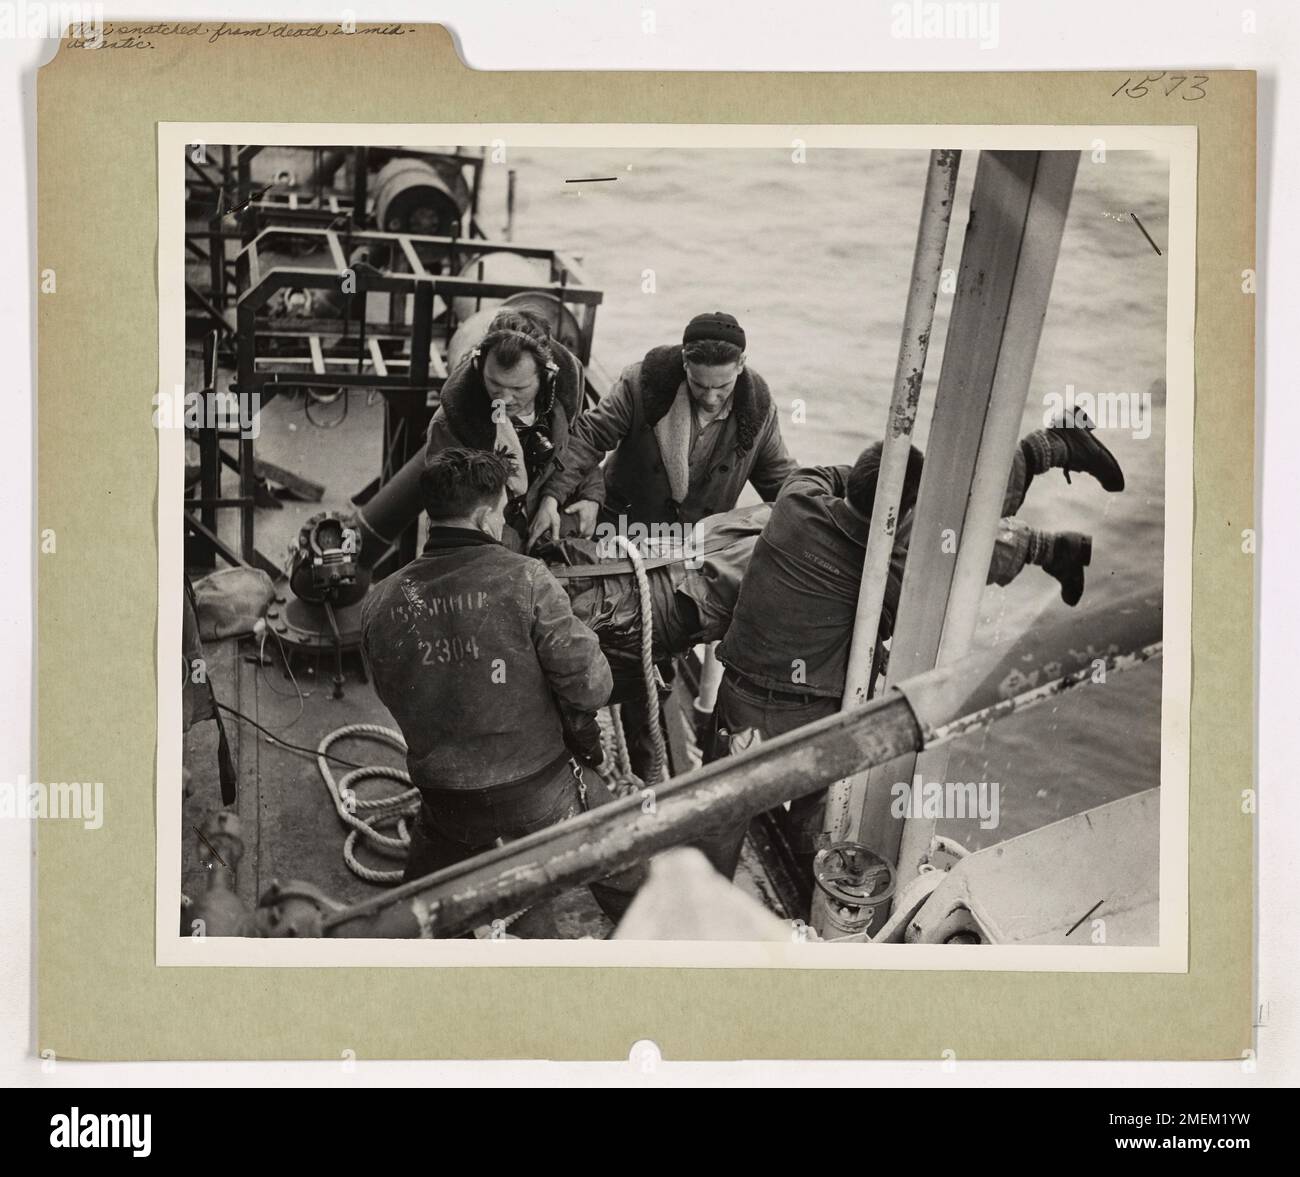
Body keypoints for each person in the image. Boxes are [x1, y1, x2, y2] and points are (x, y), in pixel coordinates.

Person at [709, 408, 1127, 883]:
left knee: (717, 823)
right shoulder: (886, 574)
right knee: (947, 532)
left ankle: (1046, 513)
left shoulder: (797, 502)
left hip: (747, 700)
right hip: (809, 718)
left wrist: (878, 487)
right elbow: (939, 544)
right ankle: (1042, 490)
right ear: (898, 516)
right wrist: (900, 510)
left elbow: (827, 476)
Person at [359, 448, 633, 937]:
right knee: (633, 866)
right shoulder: (528, 577)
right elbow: (593, 687)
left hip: (445, 803)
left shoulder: (379, 601)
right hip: (539, 792)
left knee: (418, 914)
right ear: (487, 516)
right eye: (504, 510)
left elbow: (392, 689)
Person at [529, 310, 799, 778]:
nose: (712, 397)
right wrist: (552, 496)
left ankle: (643, 759)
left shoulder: (759, 410)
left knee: (656, 654)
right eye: (699, 387)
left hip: (686, 555)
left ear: (741, 367)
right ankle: (577, 743)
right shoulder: (643, 384)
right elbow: (591, 437)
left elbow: (780, 480)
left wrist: (818, 521)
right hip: (622, 538)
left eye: (722, 387)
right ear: (683, 366)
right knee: (602, 636)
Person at [423, 307, 605, 553]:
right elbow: (450, 516)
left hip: (554, 533)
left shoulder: (563, 401)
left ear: (546, 377)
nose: (505, 399)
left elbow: (580, 447)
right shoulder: (448, 425)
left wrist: (591, 497)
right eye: (494, 384)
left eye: (519, 388)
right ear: (479, 367)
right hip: (490, 552)